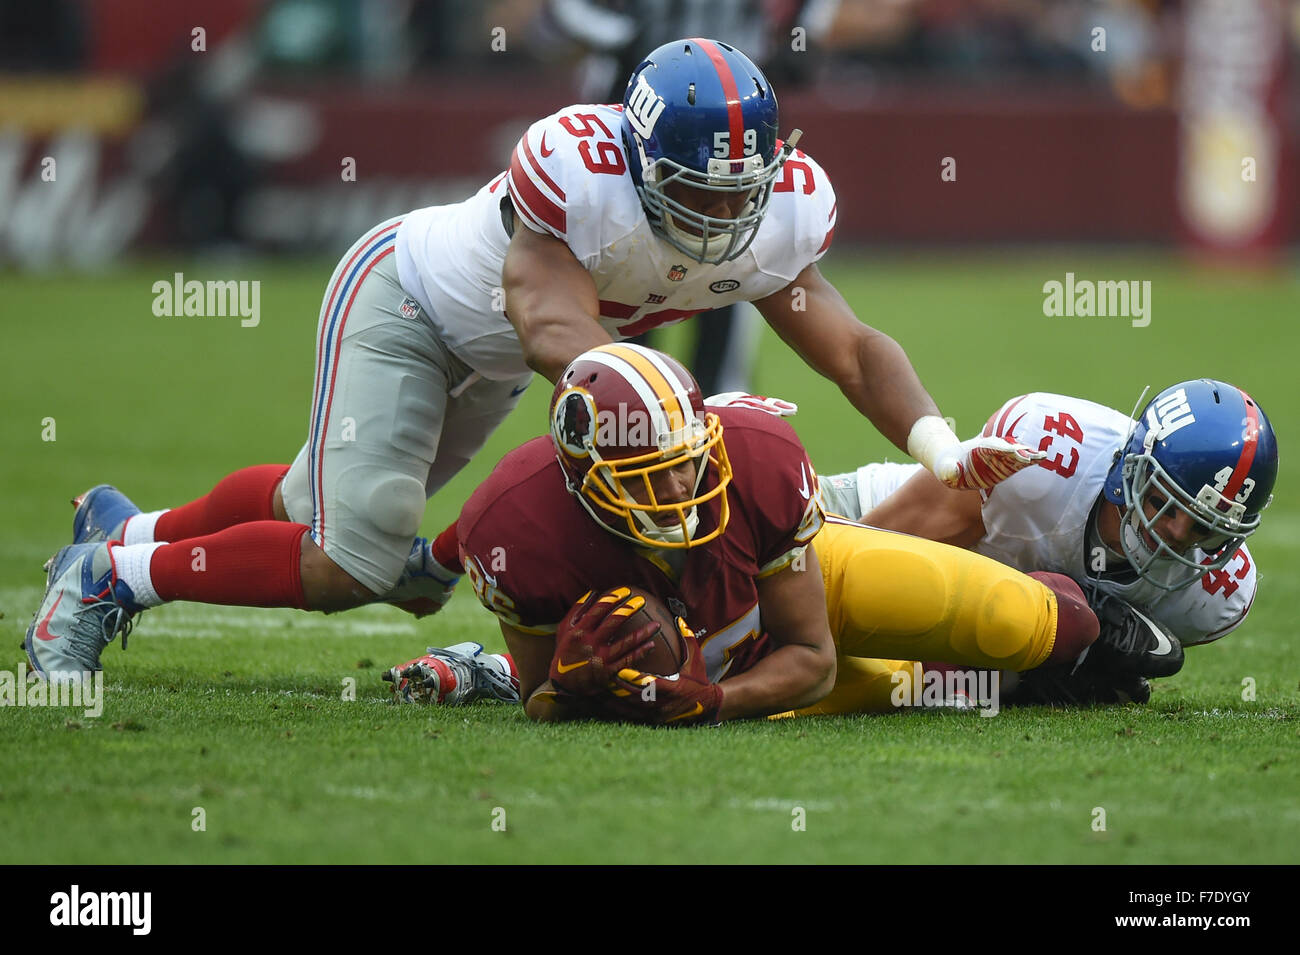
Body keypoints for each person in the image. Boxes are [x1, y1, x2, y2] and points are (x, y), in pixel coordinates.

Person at [26, 38, 1039, 683]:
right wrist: (660, 409)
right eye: (702, 187)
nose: (729, 214)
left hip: (498, 359)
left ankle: (131, 525)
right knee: (357, 560)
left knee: (320, 515)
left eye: (745, 189)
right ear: (637, 162)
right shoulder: (576, 171)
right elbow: (547, 320)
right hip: (411, 304)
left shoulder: (778, 215)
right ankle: (111, 578)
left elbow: (852, 349)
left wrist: (940, 447)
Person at [381, 343, 1170, 725]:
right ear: (584, 472)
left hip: (785, 594)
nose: (684, 487)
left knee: (1033, 623)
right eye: (650, 473)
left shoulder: (752, 459)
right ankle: (1016, 681)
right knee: (934, 686)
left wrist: (713, 699)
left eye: (687, 463)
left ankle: (1069, 620)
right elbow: (543, 700)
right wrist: (585, 689)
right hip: (732, 661)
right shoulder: (515, 527)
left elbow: (812, 653)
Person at [816, 380, 1278, 704]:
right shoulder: (1042, 457)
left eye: (1203, 527)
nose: (1175, 535)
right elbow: (868, 556)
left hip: (963, 628)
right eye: (1164, 503)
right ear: (1131, 468)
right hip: (861, 525)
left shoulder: (1216, 595)